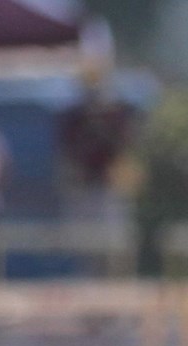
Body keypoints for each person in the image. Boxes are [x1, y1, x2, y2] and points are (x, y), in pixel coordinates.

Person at [57, 60, 138, 227]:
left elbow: (125, 145)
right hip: (83, 182)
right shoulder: (74, 115)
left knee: (112, 229)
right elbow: (67, 149)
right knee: (81, 230)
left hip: (111, 181)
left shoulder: (116, 113)